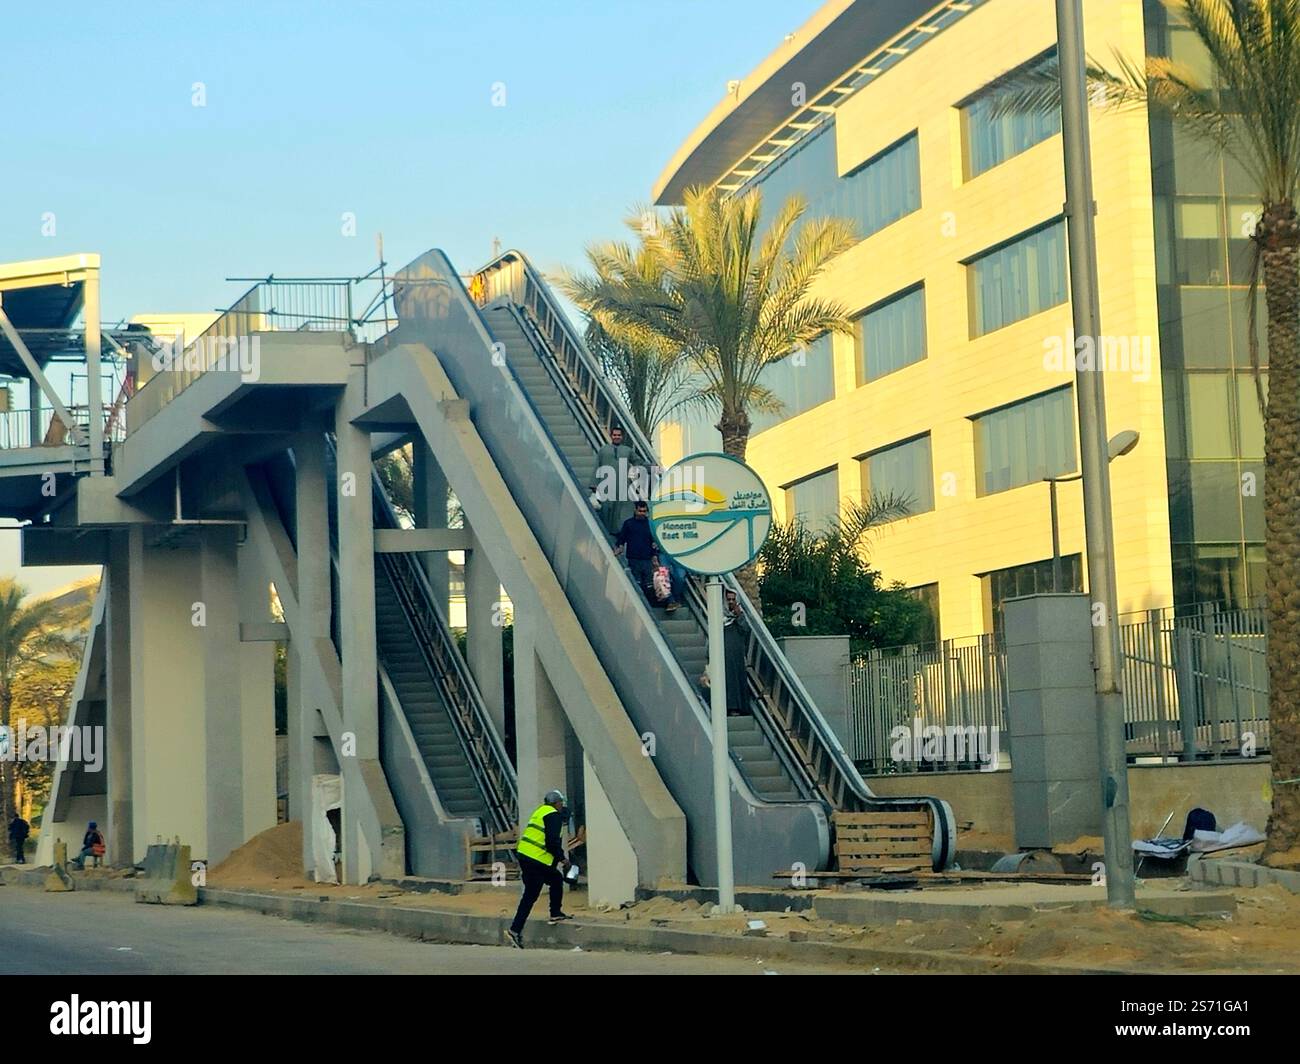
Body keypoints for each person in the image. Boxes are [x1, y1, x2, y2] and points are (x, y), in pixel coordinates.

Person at [507, 790, 572, 949]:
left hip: (526, 856)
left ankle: (554, 913)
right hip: (536, 860)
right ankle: (515, 930)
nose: (562, 806)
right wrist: (563, 859)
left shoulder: (540, 811)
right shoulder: (553, 815)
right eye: (561, 803)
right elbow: (551, 842)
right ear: (557, 803)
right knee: (535, 892)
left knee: (553, 880)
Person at [699, 589, 751, 716]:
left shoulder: (740, 615)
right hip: (722, 652)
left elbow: (745, 630)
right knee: (724, 678)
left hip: (736, 653)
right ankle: (725, 706)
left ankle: (738, 707)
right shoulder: (719, 615)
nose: (731, 602)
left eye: (733, 599)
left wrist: (739, 616)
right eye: (729, 599)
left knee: (736, 678)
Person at [590, 425, 637, 537]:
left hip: (623, 486)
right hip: (606, 485)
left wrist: (651, 467)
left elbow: (637, 461)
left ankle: (619, 534)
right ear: (611, 436)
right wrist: (594, 484)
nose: (617, 437)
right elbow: (597, 466)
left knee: (621, 510)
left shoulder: (627, 451)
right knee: (606, 509)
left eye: (619, 435)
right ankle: (606, 533)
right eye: (615, 435)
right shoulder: (603, 450)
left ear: (622, 437)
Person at [614, 501, 663, 606]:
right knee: (637, 582)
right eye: (640, 511)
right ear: (635, 510)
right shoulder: (629, 523)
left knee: (649, 584)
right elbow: (622, 538)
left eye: (644, 511)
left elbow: (653, 541)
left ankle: (649, 604)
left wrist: (654, 556)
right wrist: (619, 547)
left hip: (647, 558)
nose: (642, 513)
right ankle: (640, 604)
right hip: (633, 558)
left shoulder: (650, 525)